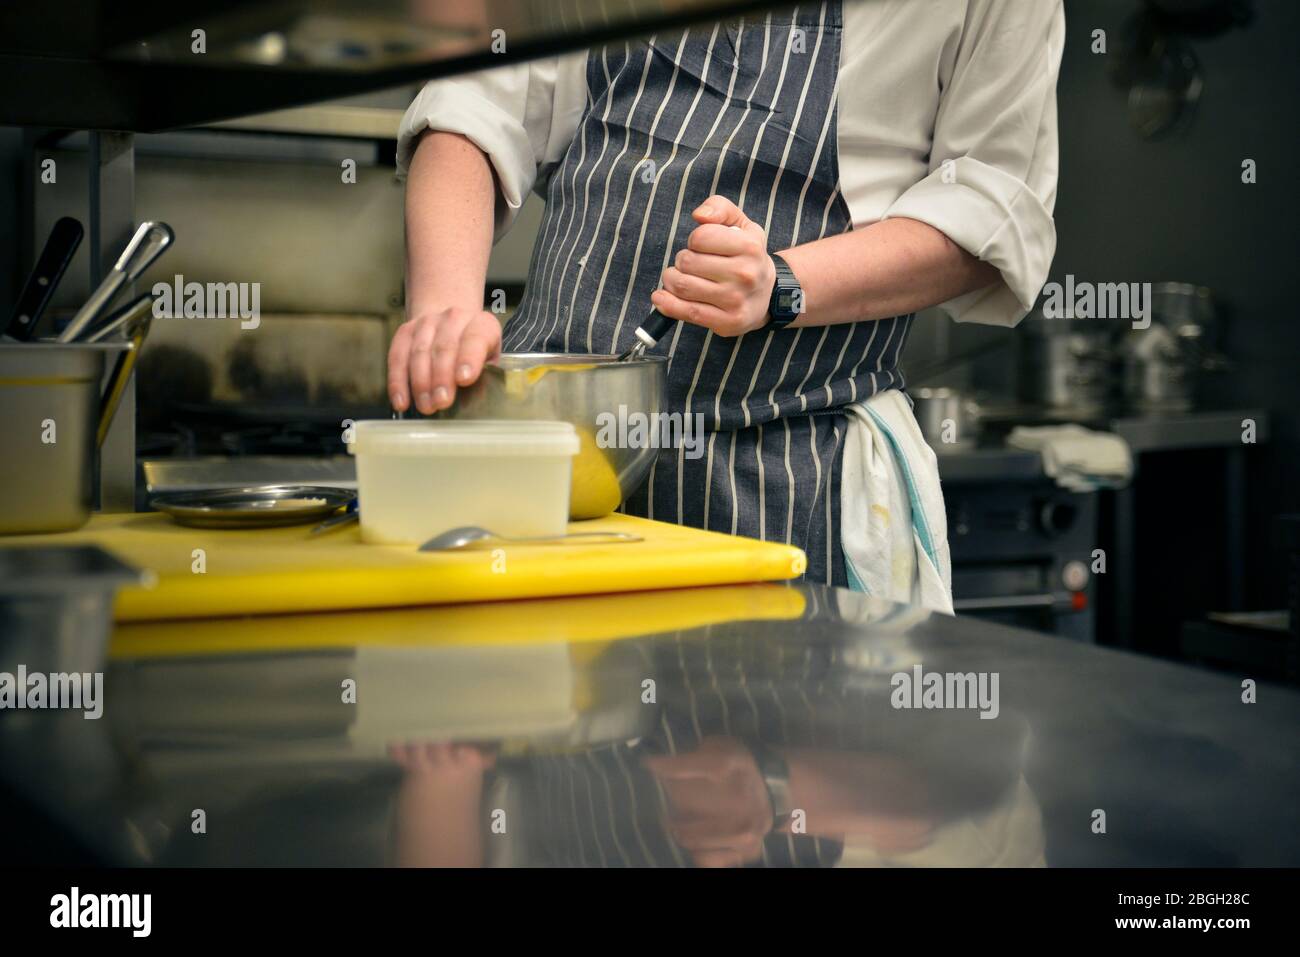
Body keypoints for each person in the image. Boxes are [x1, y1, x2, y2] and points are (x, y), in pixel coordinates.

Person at [389, 0, 1065, 604]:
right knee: (526, 720)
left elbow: (990, 206)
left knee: (756, 722)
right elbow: (474, 104)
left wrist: (782, 281)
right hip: (541, 460)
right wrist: (443, 311)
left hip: (786, 478)